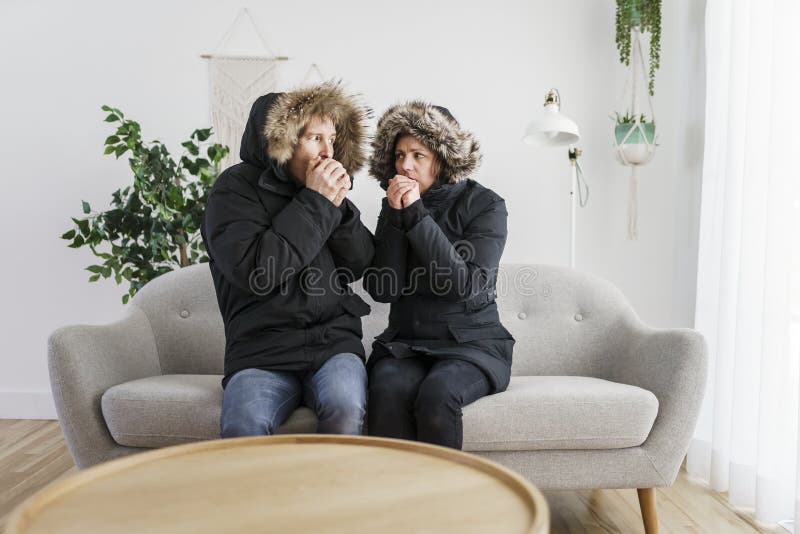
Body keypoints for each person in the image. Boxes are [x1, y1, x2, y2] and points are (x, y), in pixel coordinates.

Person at [201, 82, 374, 438]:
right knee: (244, 423)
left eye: (332, 139)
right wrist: (316, 202)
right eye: (315, 139)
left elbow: (362, 264)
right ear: (282, 142)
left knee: (345, 407)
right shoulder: (232, 191)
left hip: (333, 345)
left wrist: (338, 209)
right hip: (261, 351)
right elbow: (258, 272)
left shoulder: (324, 191)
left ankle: (334, 479)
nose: (329, 152)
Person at [364, 101, 514, 449]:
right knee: (386, 389)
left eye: (418, 155)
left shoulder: (486, 205)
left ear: (443, 159)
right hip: (407, 344)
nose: (405, 165)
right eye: (399, 155)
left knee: (438, 394)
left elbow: (463, 286)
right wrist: (395, 217)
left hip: (472, 345)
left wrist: (416, 214)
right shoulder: (394, 204)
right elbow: (383, 289)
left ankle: (443, 487)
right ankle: (392, 485)